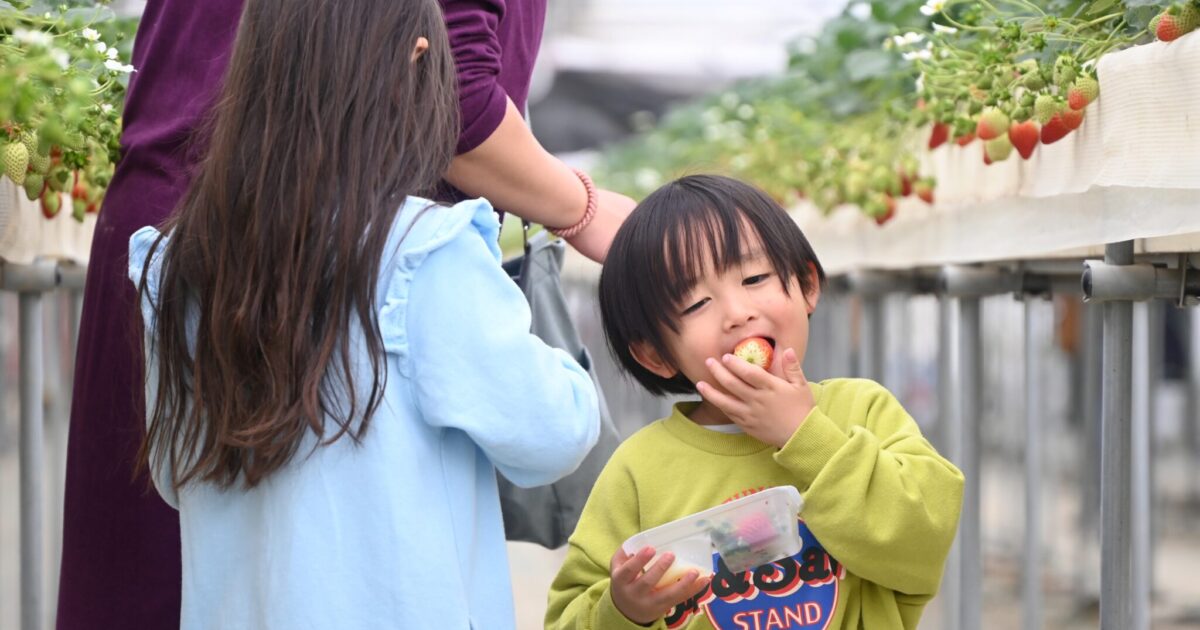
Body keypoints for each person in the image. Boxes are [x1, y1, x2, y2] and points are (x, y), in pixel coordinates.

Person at [56, 0, 633, 626]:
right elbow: (552, 435)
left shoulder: (177, 269)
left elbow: (172, 475)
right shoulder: (428, 255)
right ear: (418, 60)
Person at [544, 174, 964, 630]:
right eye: (696, 303)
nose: (737, 312)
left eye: (755, 277)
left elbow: (922, 542)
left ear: (805, 284)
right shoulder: (639, 470)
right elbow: (567, 617)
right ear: (655, 354)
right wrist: (623, 610)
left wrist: (805, 435)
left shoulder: (860, 411)